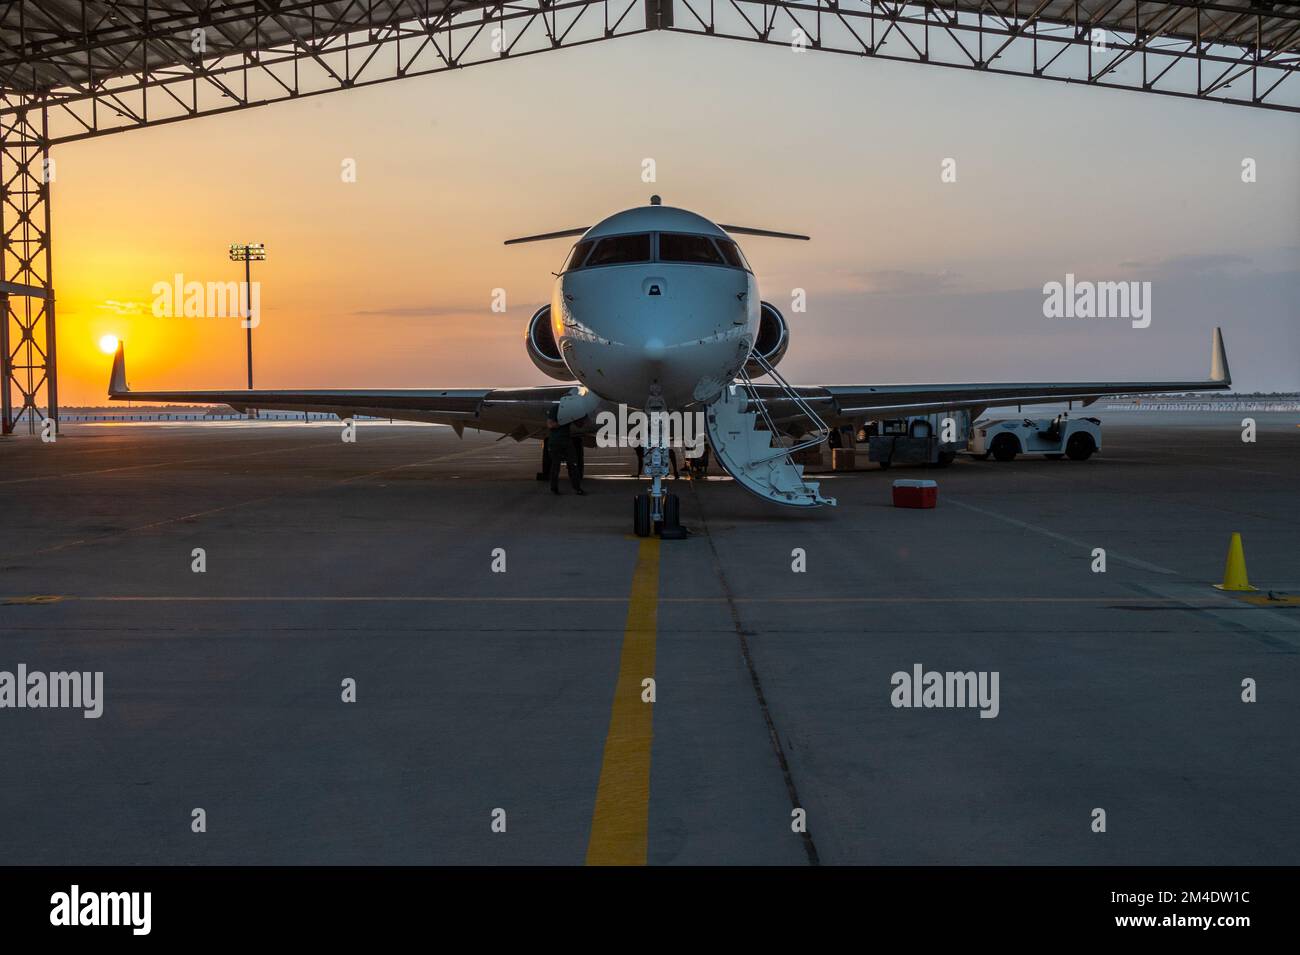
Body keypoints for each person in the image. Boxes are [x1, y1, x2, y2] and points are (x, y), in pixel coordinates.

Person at [546, 406, 585, 495]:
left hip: (567, 442)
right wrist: (563, 421)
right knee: (555, 466)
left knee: (573, 465)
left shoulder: (570, 409)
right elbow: (550, 424)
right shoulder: (555, 409)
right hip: (555, 442)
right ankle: (554, 488)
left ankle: (577, 488)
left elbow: (579, 425)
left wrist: (583, 415)